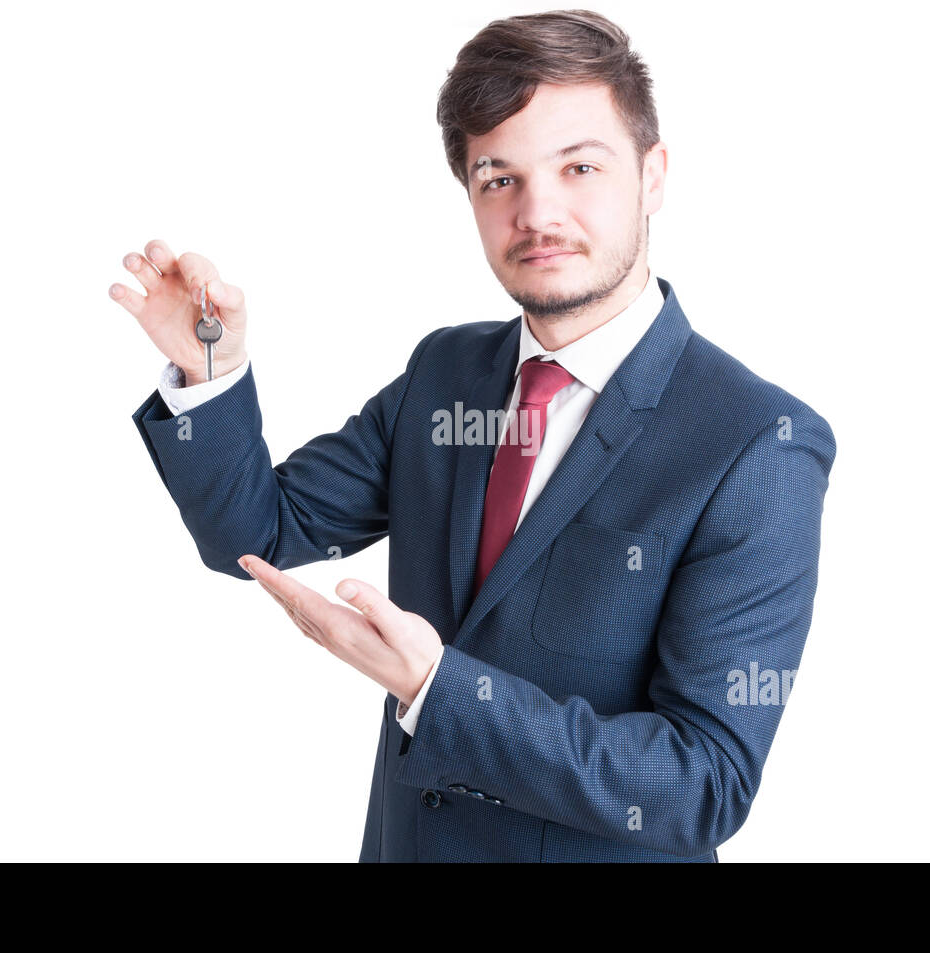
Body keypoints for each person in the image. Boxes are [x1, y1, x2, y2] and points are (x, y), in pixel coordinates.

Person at [109, 9, 836, 863]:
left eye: (579, 167)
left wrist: (434, 687)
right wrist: (214, 368)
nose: (539, 212)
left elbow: (700, 782)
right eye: (500, 178)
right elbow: (255, 532)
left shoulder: (756, 444)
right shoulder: (446, 374)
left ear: (653, 175)